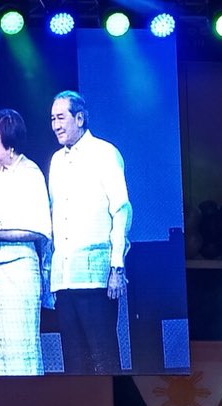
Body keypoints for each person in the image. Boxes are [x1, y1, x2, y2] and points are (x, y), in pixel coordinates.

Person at [47, 90, 132, 375]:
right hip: (65, 278)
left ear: (79, 118)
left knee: (103, 356)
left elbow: (121, 210)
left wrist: (117, 268)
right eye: (52, 119)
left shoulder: (104, 153)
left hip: (95, 276)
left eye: (61, 117)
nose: (56, 125)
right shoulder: (56, 161)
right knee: (74, 362)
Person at [0, 108, 51, 376]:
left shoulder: (31, 174)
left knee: (22, 350)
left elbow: (38, 229)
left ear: (10, 141)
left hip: (19, 272)